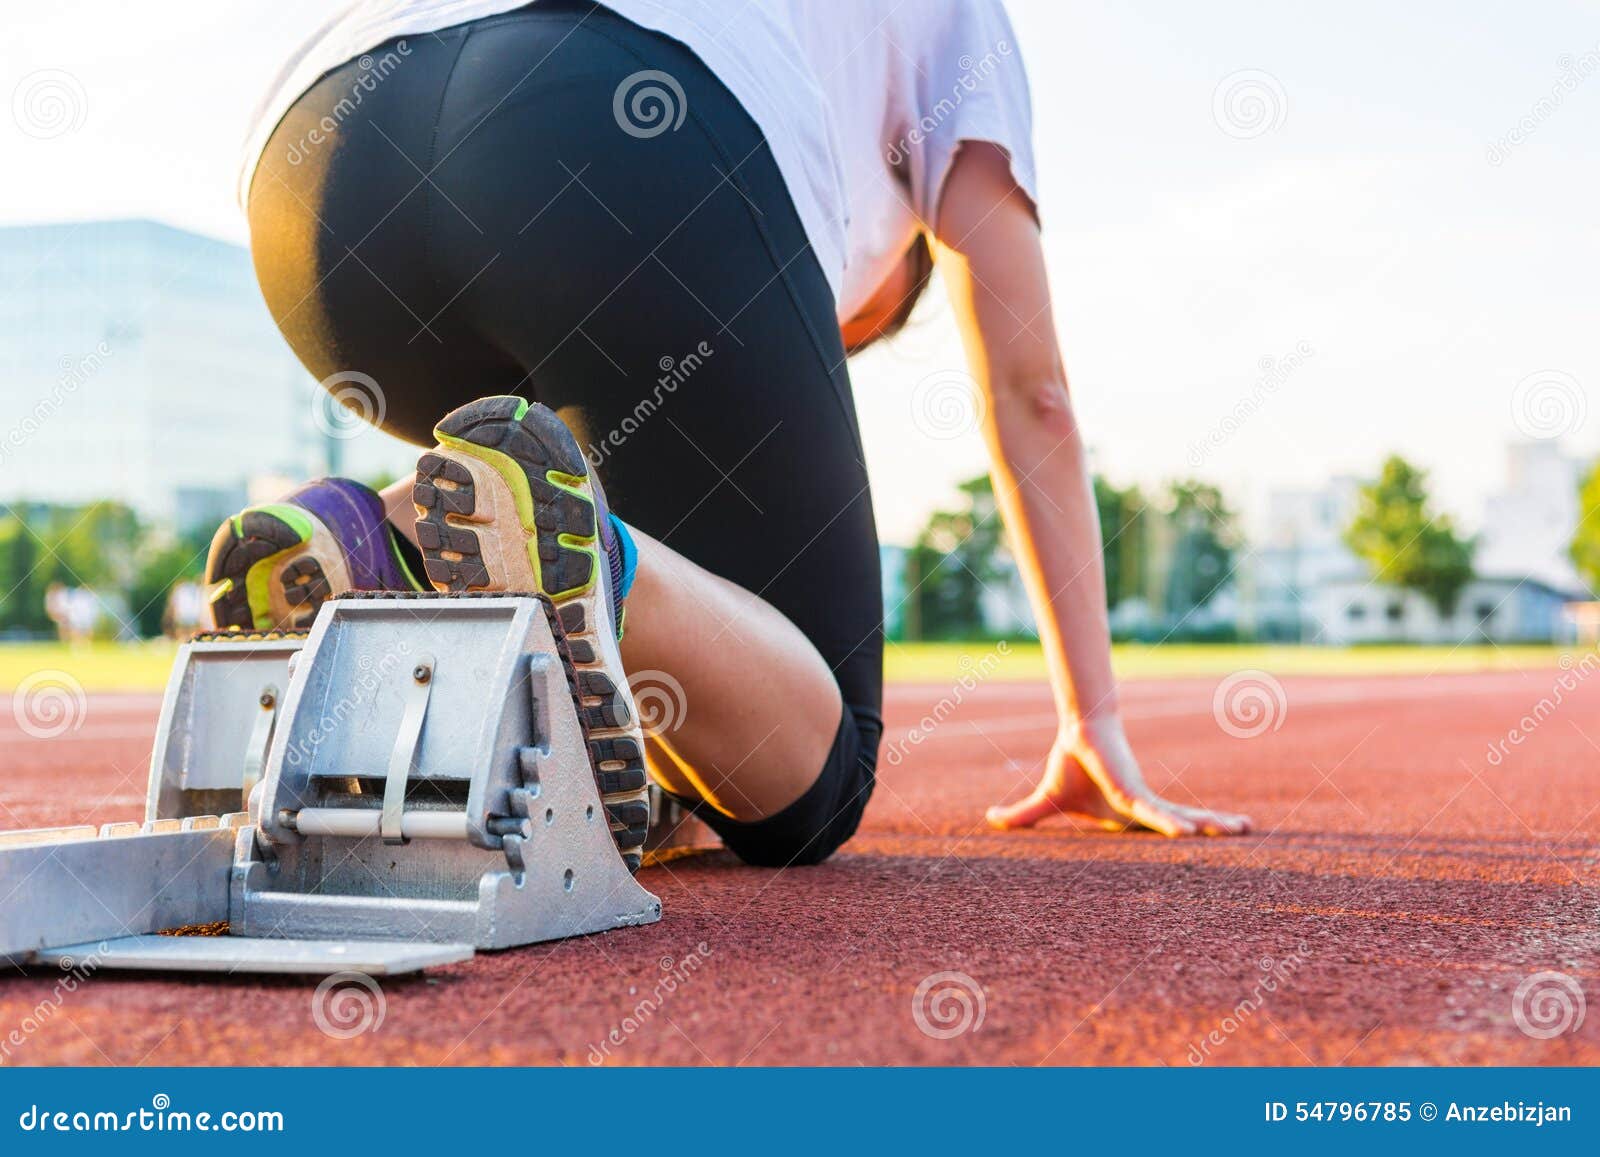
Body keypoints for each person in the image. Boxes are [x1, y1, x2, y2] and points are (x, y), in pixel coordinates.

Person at [212, 0, 1250, 871]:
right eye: (849, 326)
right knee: (820, 771)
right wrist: (1091, 719)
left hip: (321, 176)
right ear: (895, 246)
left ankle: (367, 540)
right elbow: (1033, 390)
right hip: (620, 124)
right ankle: (611, 567)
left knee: (536, 476)